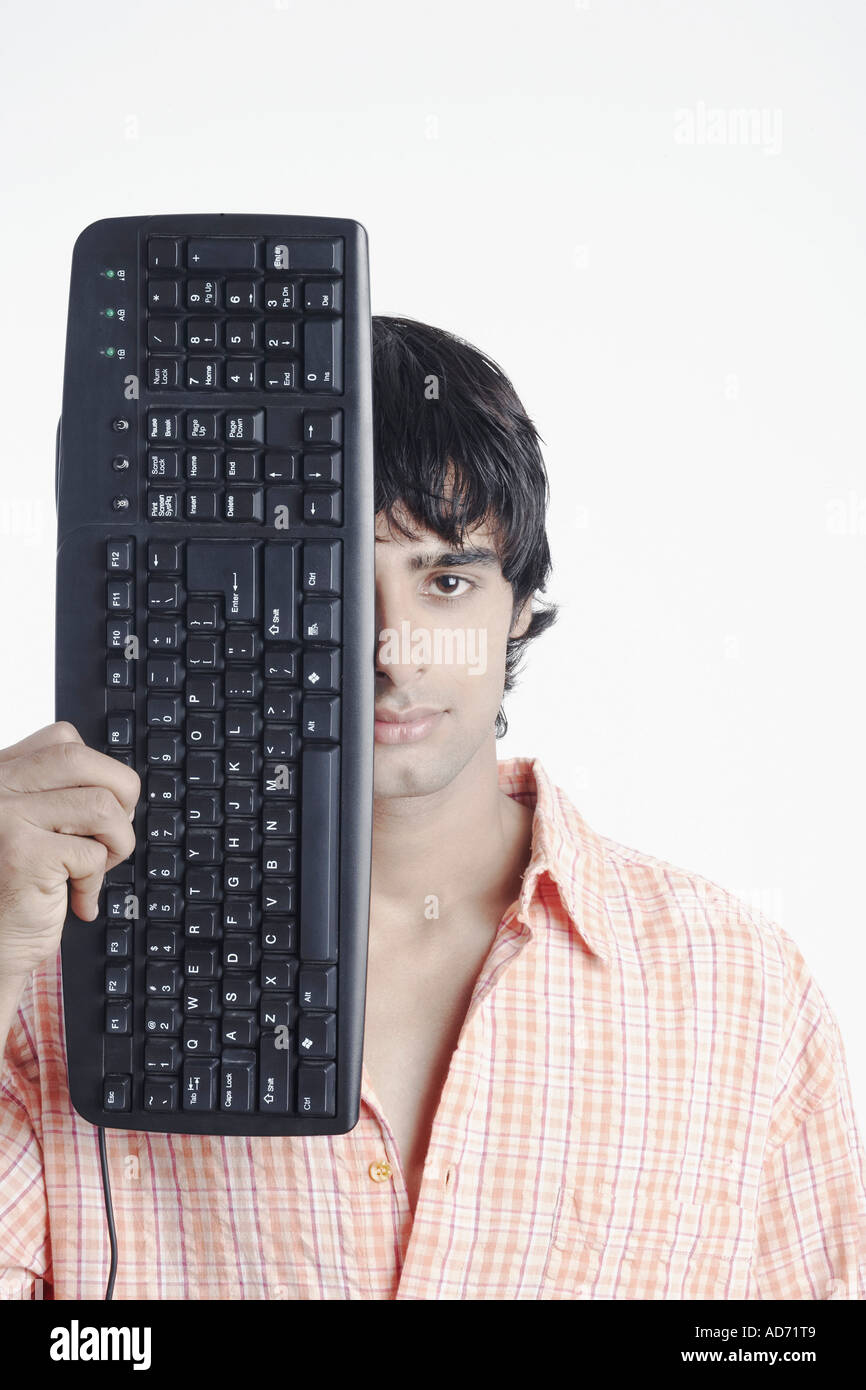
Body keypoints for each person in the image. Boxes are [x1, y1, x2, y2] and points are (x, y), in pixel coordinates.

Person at [1, 316, 864, 1301]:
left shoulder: (736, 987)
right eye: (326, 583)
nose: (391, 652)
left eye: (445, 580)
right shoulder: (49, 958)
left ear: (520, 606)